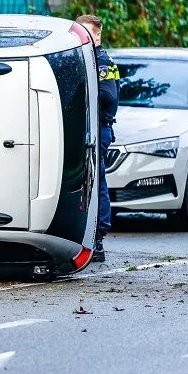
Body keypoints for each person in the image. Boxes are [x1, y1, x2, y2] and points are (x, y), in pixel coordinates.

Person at [76, 14, 118, 263]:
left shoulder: (101, 62)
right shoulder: (87, 60)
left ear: (97, 35)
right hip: (89, 127)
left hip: (99, 127)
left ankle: (98, 239)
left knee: (96, 180)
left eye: (86, 32)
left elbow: (108, 97)